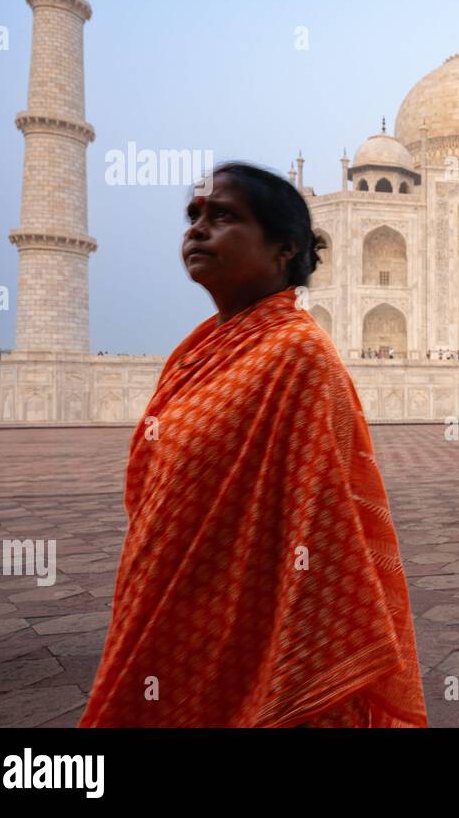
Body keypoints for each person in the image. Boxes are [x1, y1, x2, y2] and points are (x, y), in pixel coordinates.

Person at [80, 163, 426, 728]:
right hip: (178, 602)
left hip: (253, 618)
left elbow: (321, 521)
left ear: (284, 246)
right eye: (193, 216)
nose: (197, 229)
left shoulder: (296, 355)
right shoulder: (202, 349)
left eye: (222, 216)